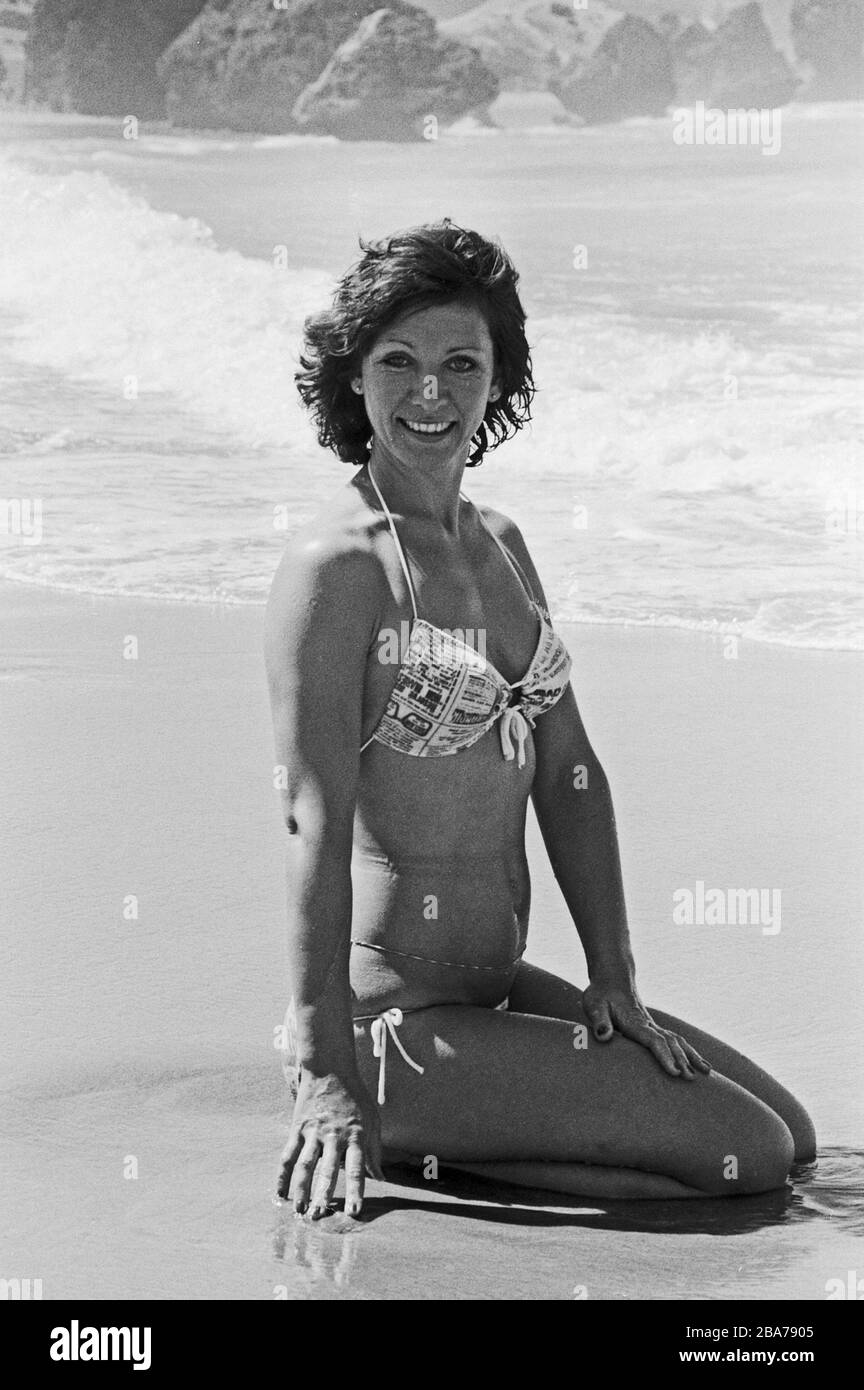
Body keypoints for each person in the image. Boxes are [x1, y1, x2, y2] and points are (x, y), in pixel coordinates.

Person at [265, 220, 815, 1220]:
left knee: (793, 1133)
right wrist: (323, 1069)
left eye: (460, 363)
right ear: (354, 377)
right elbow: (313, 820)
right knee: (748, 1154)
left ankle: (466, 1133)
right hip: (397, 1019)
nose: (430, 393)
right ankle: (391, 1127)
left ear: (497, 378)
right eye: (399, 362)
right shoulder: (337, 569)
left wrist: (613, 978)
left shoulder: (503, 546)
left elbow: (571, 774)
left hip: (497, 988)